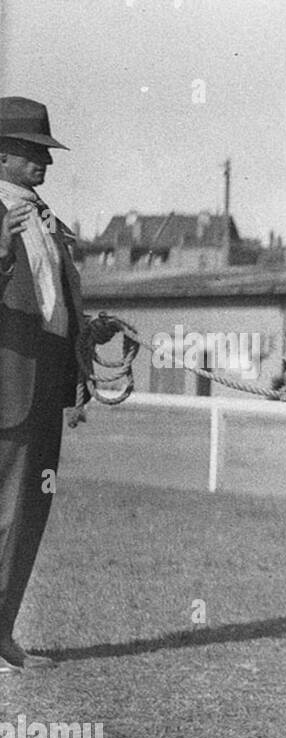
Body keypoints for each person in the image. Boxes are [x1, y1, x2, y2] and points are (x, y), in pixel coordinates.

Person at [0, 97, 84, 675]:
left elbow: (55, 301)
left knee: (29, 511)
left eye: (45, 154)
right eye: (32, 153)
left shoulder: (47, 219)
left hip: (45, 383)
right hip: (7, 383)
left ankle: (3, 634)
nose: (43, 164)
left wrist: (86, 330)